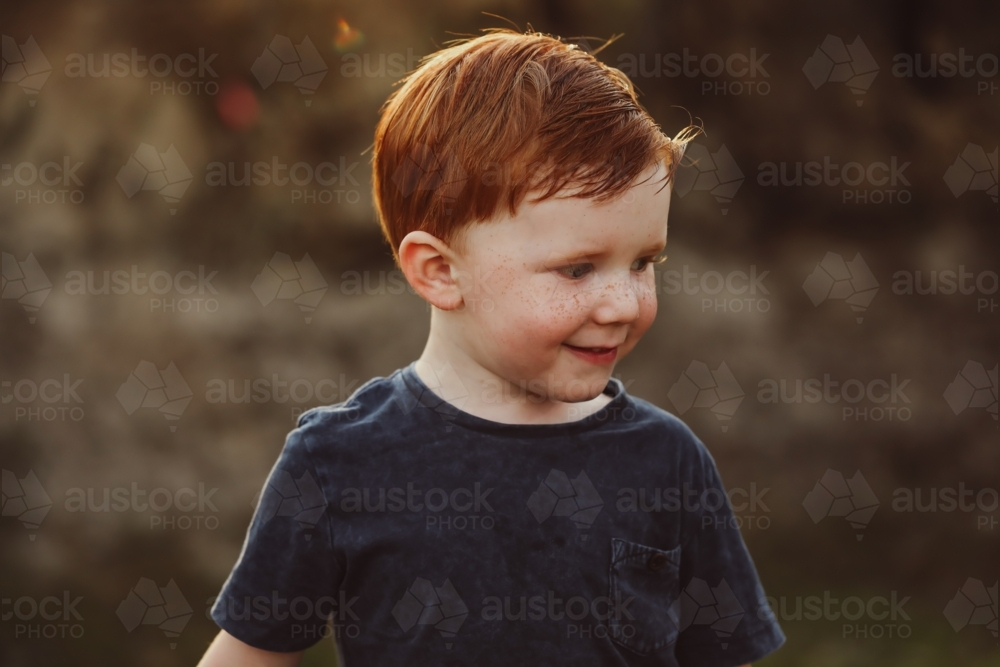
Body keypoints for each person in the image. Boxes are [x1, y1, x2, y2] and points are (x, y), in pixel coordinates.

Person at [198, 27, 784, 666]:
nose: (624, 304)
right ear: (441, 272)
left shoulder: (668, 463)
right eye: (578, 269)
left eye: (643, 262)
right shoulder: (338, 464)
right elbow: (249, 654)